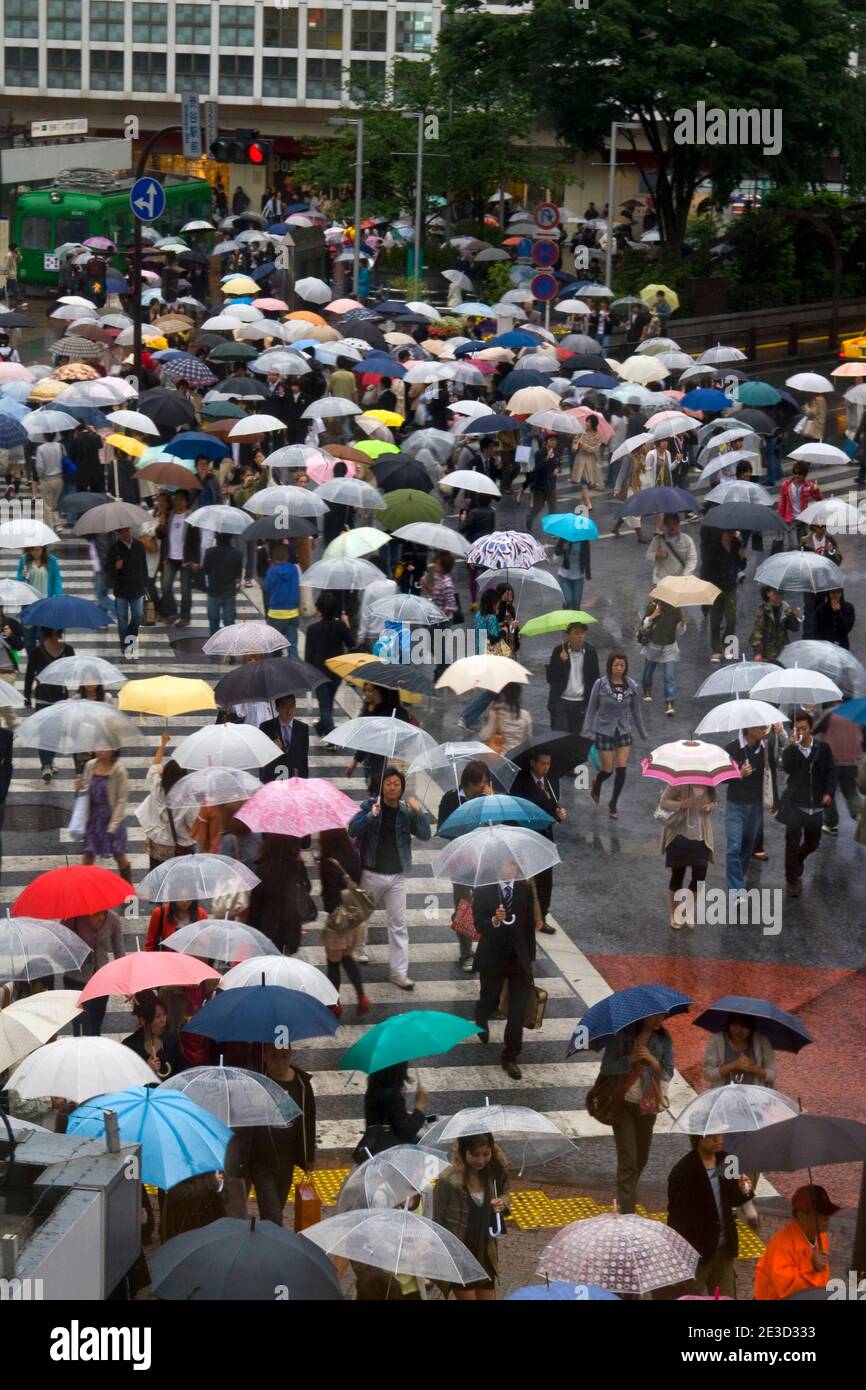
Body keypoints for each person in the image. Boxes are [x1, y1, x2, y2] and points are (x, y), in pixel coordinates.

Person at [349, 767, 431, 991]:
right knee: (361, 916)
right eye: (388, 783)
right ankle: (358, 948)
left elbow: (425, 835)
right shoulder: (370, 806)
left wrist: (418, 813)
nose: (393, 787)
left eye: (397, 783)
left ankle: (399, 972)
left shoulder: (405, 812)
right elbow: (353, 829)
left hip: (397, 875)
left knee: (398, 925)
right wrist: (370, 816)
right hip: (371, 873)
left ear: (402, 787)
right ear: (382, 786)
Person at [599, 1012, 674, 1213]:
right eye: (655, 1017)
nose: (659, 1021)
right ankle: (627, 1210)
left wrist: (652, 1060)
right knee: (628, 1159)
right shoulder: (622, 1036)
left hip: (647, 1107)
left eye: (663, 1017)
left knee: (641, 1158)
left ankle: (627, 1193)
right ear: (643, 1016)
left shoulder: (664, 1039)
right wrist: (630, 1059)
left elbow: (668, 1072)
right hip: (622, 1104)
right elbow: (607, 1067)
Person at [473, 858, 539, 1080]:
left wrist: (531, 958)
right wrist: (494, 920)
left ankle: (510, 1056)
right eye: (505, 864)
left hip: (519, 959)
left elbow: (529, 926)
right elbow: (478, 924)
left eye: (513, 865)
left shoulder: (523, 889)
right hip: (493, 955)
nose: (510, 869)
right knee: (490, 998)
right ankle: (481, 1013)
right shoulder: (484, 891)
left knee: (517, 1011)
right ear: (497, 867)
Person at [667, 1135, 752, 1297]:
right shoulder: (683, 1171)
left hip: (724, 1249)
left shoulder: (728, 1160)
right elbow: (677, 1218)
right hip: (698, 1253)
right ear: (698, 1137)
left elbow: (735, 1199)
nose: (718, 1139)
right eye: (712, 1135)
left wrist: (745, 1189)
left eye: (720, 1134)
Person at [243, 1043, 316, 1227]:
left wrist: (309, 1156)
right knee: (273, 1216)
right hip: (261, 1161)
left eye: (284, 1056)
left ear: (291, 1055)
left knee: (277, 1209)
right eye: (274, 1057)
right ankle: (269, 1248)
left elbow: (308, 1121)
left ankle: (264, 1239)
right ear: (265, 1057)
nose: (280, 1063)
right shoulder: (259, 1083)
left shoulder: (301, 1084)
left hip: (287, 1160)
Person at [433, 1134, 510, 1300]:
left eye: (486, 1154)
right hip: (459, 1254)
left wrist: (502, 1203)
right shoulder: (448, 1180)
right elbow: (437, 1220)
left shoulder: (495, 1173)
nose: (481, 1160)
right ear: (462, 1152)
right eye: (475, 1155)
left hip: (485, 1251)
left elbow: (505, 1193)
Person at [438, 760, 493, 972]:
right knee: (463, 906)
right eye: (482, 783)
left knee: (484, 904)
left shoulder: (486, 799)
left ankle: (483, 948)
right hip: (460, 860)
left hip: (484, 858)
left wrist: (490, 801)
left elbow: (494, 825)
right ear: (470, 783)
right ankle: (466, 952)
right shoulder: (451, 798)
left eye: (487, 782)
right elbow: (443, 828)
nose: (484, 786)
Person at [583, 650, 648, 819]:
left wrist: (642, 732)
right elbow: (591, 708)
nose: (619, 668)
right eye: (616, 665)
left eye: (622, 665)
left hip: (623, 730)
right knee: (608, 769)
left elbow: (636, 711)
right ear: (610, 666)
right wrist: (587, 730)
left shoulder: (631, 685)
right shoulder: (601, 684)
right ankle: (597, 784)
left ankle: (613, 804)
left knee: (622, 767)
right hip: (604, 730)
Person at [778, 710, 836, 898]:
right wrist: (792, 747)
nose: (802, 732)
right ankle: (791, 880)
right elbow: (787, 768)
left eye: (805, 728)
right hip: (795, 804)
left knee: (813, 842)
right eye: (798, 729)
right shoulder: (791, 751)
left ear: (811, 728)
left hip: (816, 805)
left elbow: (831, 772)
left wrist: (828, 792)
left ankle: (799, 859)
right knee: (791, 844)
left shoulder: (823, 748)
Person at [318, 827, 370, 1016]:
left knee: (333, 963)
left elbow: (329, 897)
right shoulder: (353, 853)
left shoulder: (327, 861)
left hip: (338, 920)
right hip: (354, 916)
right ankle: (362, 996)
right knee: (347, 958)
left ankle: (334, 1003)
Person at [754, 1185, 838, 1300]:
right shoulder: (782, 1245)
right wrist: (812, 1266)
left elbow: (822, 1277)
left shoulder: (821, 1237)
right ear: (801, 1216)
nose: (826, 1219)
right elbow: (788, 1290)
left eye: (827, 1213)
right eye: (820, 1214)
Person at [723, 724, 781, 891]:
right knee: (734, 847)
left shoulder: (765, 747)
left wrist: (775, 801)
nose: (764, 731)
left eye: (765, 728)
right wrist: (738, 774)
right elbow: (722, 778)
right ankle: (736, 887)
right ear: (748, 729)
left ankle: (737, 877)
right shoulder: (732, 748)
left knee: (747, 846)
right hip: (735, 804)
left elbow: (772, 772)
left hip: (756, 805)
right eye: (759, 728)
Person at [512, 752, 565, 932]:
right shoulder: (521, 781)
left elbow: (554, 806)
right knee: (529, 879)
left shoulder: (550, 781)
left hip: (546, 836)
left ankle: (542, 914)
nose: (546, 767)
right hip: (527, 836)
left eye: (549, 764)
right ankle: (530, 915)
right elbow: (520, 808)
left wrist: (559, 815)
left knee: (546, 879)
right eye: (543, 763)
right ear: (532, 762)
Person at [657, 783, 717, 929]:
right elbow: (664, 802)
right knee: (678, 875)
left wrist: (710, 806)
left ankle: (686, 910)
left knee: (700, 877)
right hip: (679, 836)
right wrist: (682, 804)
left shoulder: (709, 783)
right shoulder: (678, 783)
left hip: (701, 838)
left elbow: (715, 801)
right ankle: (674, 914)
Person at [62, 909, 126, 1036]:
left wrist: (126, 982)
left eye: (104, 912)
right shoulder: (71, 919)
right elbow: (57, 946)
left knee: (96, 1023)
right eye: (97, 913)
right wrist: (74, 954)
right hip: (75, 980)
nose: (102, 917)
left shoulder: (113, 920)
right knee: (80, 1023)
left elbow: (119, 952)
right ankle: (79, 1052)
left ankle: (94, 1052)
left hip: (101, 980)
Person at [139, 732, 198, 869]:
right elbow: (192, 825)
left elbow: (155, 766)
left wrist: (163, 743)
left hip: (157, 842)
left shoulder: (157, 786)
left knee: (156, 874)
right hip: (176, 846)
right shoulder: (187, 799)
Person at [23, 628, 74, 781]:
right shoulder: (36, 652)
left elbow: (73, 672)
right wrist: (27, 696)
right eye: (56, 630)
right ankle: (45, 764)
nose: (58, 633)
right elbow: (29, 674)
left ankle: (50, 759)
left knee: (56, 732)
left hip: (60, 696)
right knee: (45, 731)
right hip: (42, 697)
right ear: (49, 632)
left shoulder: (68, 650)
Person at [248, 834, 312, 955]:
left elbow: (255, 906)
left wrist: (251, 931)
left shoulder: (263, 868)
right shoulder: (297, 866)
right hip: (290, 926)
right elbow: (307, 888)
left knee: (267, 968)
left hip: (267, 926)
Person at [76, 748, 132, 884]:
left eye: (105, 747)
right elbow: (86, 790)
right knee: (89, 854)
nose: (100, 750)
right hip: (94, 818)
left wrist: (112, 827)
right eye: (98, 746)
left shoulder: (119, 771)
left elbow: (121, 800)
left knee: (119, 854)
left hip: (112, 819)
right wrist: (80, 786)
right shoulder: (90, 766)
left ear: (113, 750)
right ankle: (84, 889)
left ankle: (128, 887)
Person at [814, 708, 864, 835]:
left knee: (827, 791)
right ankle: (859, 815)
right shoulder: (858, 714)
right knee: (851, 792)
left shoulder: (831, 713)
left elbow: (814, 729)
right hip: (852, 760)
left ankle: (831, 824)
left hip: (831, 760)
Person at [359, 1063, 428, 1154]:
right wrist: (420, 1104)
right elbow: (406, 1132)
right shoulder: (392, 1095)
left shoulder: (375, 1087)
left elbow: (390, 1116)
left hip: (376, 1143)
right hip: (390, 1150)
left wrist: (405, 1114)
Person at [545, 621, 600, 734]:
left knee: (575, 738)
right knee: (560, 737)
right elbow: (550, 678)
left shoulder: (591, 652)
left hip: (581, 703)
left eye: (582, 633)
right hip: (561, 702)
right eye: (576, 633)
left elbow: (595, 679)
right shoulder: (558, 651)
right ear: (568, 635)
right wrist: (560, 662)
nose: (580, 636)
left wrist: (595, 704)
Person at [702, 528, 747, 662]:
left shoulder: (736, 545)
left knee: (731, 619)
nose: (731, 535)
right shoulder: (714, 547)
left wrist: (742, 554)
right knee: (715, 620)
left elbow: (742, 565)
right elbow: (707, 568)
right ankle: (716, 650)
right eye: (729, 533)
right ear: (723, 533)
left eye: (733, 533)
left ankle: (727, 644)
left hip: (730, 587)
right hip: (715, 588)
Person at [158, 490, 199, 629]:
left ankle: (185, 617)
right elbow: (163, 537)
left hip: (185, 559)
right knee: (165, 586)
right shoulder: (170, 515)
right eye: (176, 499)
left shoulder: (192, 518)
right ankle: (172, 613)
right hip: (170, 557)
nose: (177, 501)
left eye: (181, 499)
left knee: (185, 589)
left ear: (186, 502)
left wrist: (195, 560)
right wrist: (161, 524)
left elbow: (196, 541)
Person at [122, 990, 186, 1079]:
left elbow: (181, 1072)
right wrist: (146, 1070)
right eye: (158, 1016)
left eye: (164, 1015)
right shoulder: (129, 1046)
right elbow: (125, 1079)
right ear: (143, 1020)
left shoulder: (171, 1041)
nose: (163, 1021)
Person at [639, 597, 686, 716]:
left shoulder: (676, 610)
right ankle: (647, 689)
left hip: (669, 647)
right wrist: (653, 616)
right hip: (654, 645)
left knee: (669, 676)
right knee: (649, 670)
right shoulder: (653, 606)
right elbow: (644, 625)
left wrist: (682, 623)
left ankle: (669, 702)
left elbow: (679, 632)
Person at [105, 526, 148, 657]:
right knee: (122, 619)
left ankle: (130, 637)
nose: (124, 534)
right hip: (121, 589)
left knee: (138, 615)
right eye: (121, 532)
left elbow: (144, 566)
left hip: (137, 588)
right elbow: (108, 570)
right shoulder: (114, 549)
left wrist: (145, 585)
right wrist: (115, 567)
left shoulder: (139, 545)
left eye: (126, 531)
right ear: (117, 534)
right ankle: (125, 644)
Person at [260, 693, 310, 782]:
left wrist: (304, 782)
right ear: (277, 708)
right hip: (274, 777)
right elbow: (262, 758)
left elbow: (303, 758)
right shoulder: (266, 727)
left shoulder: (303, 728)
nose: (289, 710)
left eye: (292, 706)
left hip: (294, 778)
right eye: (284, 707)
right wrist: (271, 748)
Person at [262, 542, 301, 656]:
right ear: (287, 556)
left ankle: (271, 669)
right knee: (292, 645)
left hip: (276, 613)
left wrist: (270, 569)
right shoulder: (294, 569)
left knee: (272, 646)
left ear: (273, 558)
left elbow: (266, 587)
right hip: (293, 612)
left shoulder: (272, 571)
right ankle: (294, 668)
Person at [202, 533, 242, 634]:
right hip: (229, 590)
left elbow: (205, 570)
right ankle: (229, 645)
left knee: (213, 621)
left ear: (216, 537)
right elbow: (238, 573)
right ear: (231, 538)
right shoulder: (237, 553)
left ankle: (214, 644)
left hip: (214, 590)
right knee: (229, 621)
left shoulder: (210, 552)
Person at [477, 682, 533, 754]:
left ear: (503, 695)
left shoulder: (497, 714)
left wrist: (491, 717)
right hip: (518, 756)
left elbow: (484, 737)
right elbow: (528, 740)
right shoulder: (526, 715)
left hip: (500, 757)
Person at [750, 587, 801, 661]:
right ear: (768, 594)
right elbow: (757, 632)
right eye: (776, 593)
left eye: (781, 593)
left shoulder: (786, 609)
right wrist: (757, 652)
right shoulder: (763, 611)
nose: (779, 596)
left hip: (784, 650)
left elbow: (795, 628)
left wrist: (797, 618)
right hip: (768, 653)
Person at [648, 513, 697, 585]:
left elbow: (692, 559)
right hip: (662, 579)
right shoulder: (658, 539)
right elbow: (648, 555)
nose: (672, 527)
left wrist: (685, 575)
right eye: (669, 524)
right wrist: (656, 555)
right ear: (665, 525)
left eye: (674, 524)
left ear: (678, 524)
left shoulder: (687, 540)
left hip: (681, 578)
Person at [524, 434, 560, 531]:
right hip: (540, 485)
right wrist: (547, 458)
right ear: (546, 442)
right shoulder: (539, 453)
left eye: (555, 440)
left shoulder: (556, 453)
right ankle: (529, 519)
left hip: (551, 485)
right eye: (551, 440)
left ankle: (551, 526)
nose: (553, 442)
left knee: (553, 508)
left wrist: (557, 469)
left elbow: (557, 464)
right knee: (538, 507)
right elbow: (538, 468)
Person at [777, 462, 821, 532]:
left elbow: (818, 499)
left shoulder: (809, 486)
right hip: (790, 519)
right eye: (795, 473)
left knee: (801, 541)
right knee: (794, 542)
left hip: (803, 519)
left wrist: (816, 491)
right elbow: (782, 503)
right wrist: (780, 518)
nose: (797, 475)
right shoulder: (786, 485)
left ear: (804, 475)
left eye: (800, 474)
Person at [33, 433, 64, 532]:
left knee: (47, 505)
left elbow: (39, 466)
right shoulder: (60, 446)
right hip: (59, 478)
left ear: (44, 436)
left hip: (47, 479)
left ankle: (50, 527)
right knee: (55, 503)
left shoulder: (41, 448)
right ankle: (58, 524)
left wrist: (40, 477)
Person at [553, 532, 591, 611]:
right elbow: (556, 552)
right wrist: (563, 548)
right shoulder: (564, 537)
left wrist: (587, 572)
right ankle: (566, 616)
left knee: (576, 604)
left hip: (578, 576)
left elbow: (587, 555)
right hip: (564, 575)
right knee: (568, 600)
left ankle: (574, 623)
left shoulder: (584, 540)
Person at [570, 414, 603, 501]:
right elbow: (574, 445)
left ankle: (582, 501)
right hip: (580, 459)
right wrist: (575, 445)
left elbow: (594, 449)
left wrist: (583, 444)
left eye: (589, 422)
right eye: (586, 421)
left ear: (593, 424)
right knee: (584, 481)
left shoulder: (598, 436)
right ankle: (588, 503)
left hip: (590, 460)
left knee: (586, 481)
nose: (587, 423)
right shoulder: (581, 433)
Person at [65, 422, 104, 494]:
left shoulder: (75, 440)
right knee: (96, 494)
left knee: (81, 494)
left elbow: (71, 456)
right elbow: (101, 446)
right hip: (95, 470)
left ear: (76, 430)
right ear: (85, 427)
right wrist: (94, 432)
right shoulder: (95, 437)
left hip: (82, 471)